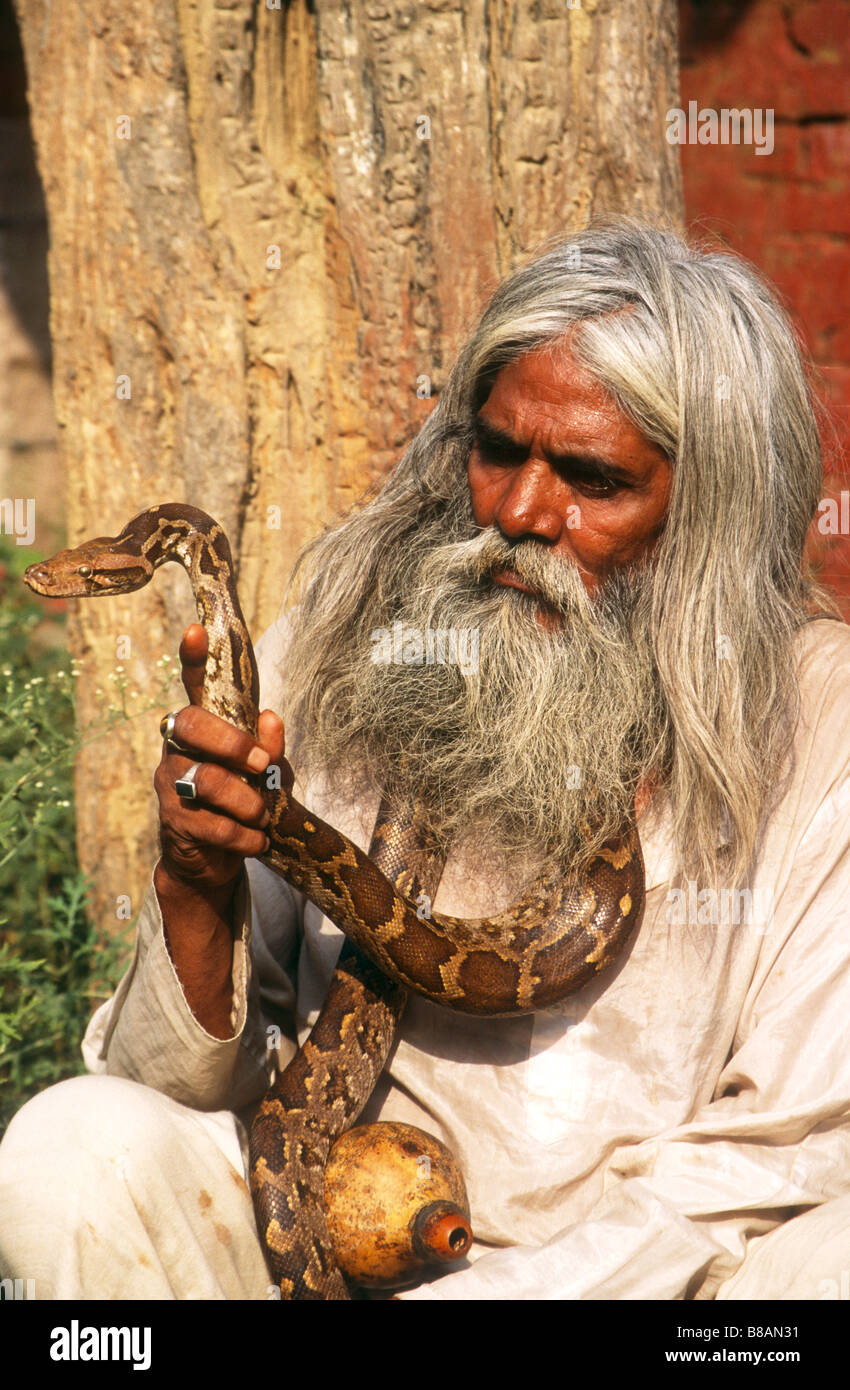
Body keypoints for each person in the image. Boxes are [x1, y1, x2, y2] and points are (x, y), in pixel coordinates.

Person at [3, 218, 850, 1302]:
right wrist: (197, 883)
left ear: (711, 513)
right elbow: (174, 1081)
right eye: (498, 451)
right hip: (319, 1241)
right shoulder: (354, 635)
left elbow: (777, 1162)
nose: (517, 514)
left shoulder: (818, 722)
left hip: (657, 1288)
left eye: (590, 477)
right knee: (72, 1149)